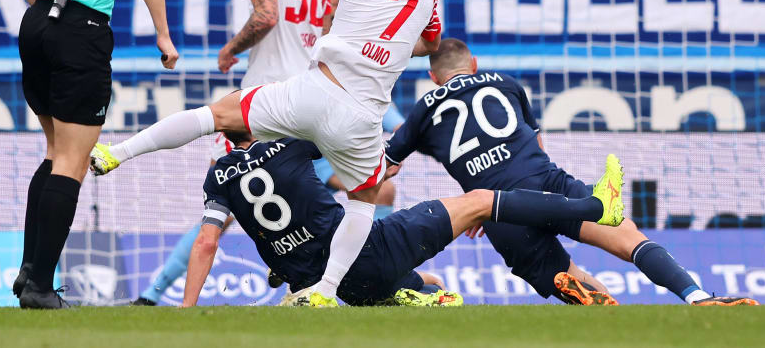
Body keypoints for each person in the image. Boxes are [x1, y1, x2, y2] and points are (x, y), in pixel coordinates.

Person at [91, 0, 441, 307]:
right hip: (360, 115)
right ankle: (325, 291)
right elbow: (431, 43)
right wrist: (394, 46)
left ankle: (117, 153)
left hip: (308, 91)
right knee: (367, 200)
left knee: (216, 124)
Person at [385, 38, 760, 307]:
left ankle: (588, 297)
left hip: (499, 212)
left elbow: (389, 165)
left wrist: (477, 206)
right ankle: (697, 297)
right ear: (474, 64)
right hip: (548, 186)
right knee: (630, 240)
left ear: (433, 77)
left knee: (577, 283)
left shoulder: (423, 111)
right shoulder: (505, 83)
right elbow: (536, 143)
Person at [3, 0, 179, 309]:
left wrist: (38, 5)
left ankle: (29, 271)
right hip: (81, 30)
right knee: (73, 159)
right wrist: (163, 35)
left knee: (55, 151)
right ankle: (40, 287)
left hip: (38, 24)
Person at [180, 130, 625, 307]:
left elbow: (206, 243)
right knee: (480, 201)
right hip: (368, 252)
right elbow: (355, 139)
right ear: (258, 124)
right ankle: (593, 207)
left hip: (330, 286)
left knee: (429, 282)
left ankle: (412, 295)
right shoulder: (289, 145)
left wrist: (186, 310)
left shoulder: (218, 178)